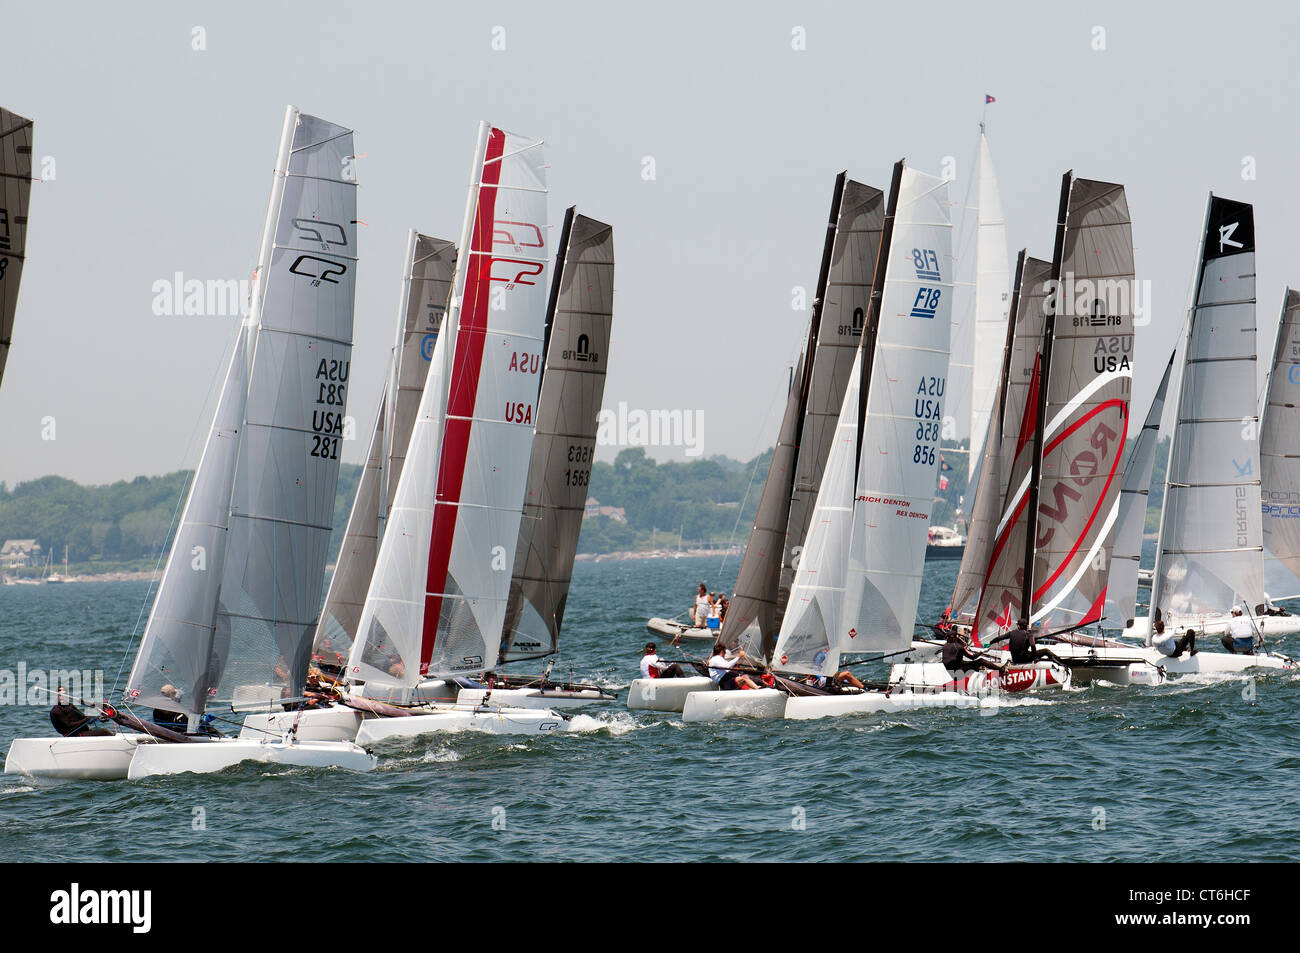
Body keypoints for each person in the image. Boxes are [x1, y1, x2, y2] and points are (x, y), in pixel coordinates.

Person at [988, 620, 1064, 667]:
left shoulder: (1011, 633)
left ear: (1018, 626)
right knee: (1046, 651)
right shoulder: (1029, 635)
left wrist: (991, 642)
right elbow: (1033, 646)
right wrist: (1034, 657)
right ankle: (1061, 662)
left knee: (1028, 653)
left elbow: (999, 638)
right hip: (1024, 659)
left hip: (1015, 660)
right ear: (1026, 626)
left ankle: (1055, 661)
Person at [801, 649, 866, 690]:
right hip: (824, 680)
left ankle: (858, 685)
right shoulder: (821, 654)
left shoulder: (830, 653)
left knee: (846, 676)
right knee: (847, 674)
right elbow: (815, 668)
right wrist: (821, 677)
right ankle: (865, 689)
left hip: (830, 676)